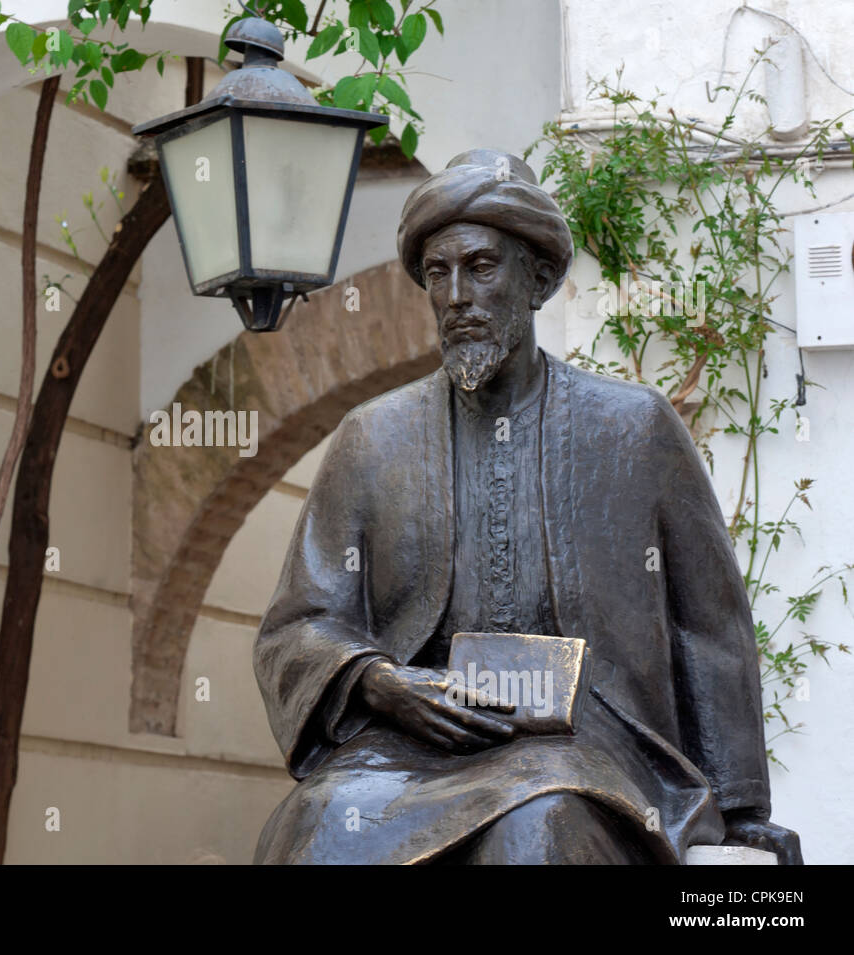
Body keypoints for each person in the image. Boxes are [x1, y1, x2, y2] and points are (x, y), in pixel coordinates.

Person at [252, 149, 801, 865]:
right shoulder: (372, 438)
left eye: (481, 268)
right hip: (412, 750)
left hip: (587, 744)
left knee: (538, 829)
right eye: (439, 274)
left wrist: (739, 804)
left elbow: (709, 624)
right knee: (318, 824)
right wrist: (380, 683)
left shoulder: (633, 428)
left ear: (537, 279)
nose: (456, 295)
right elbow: (301, 622)